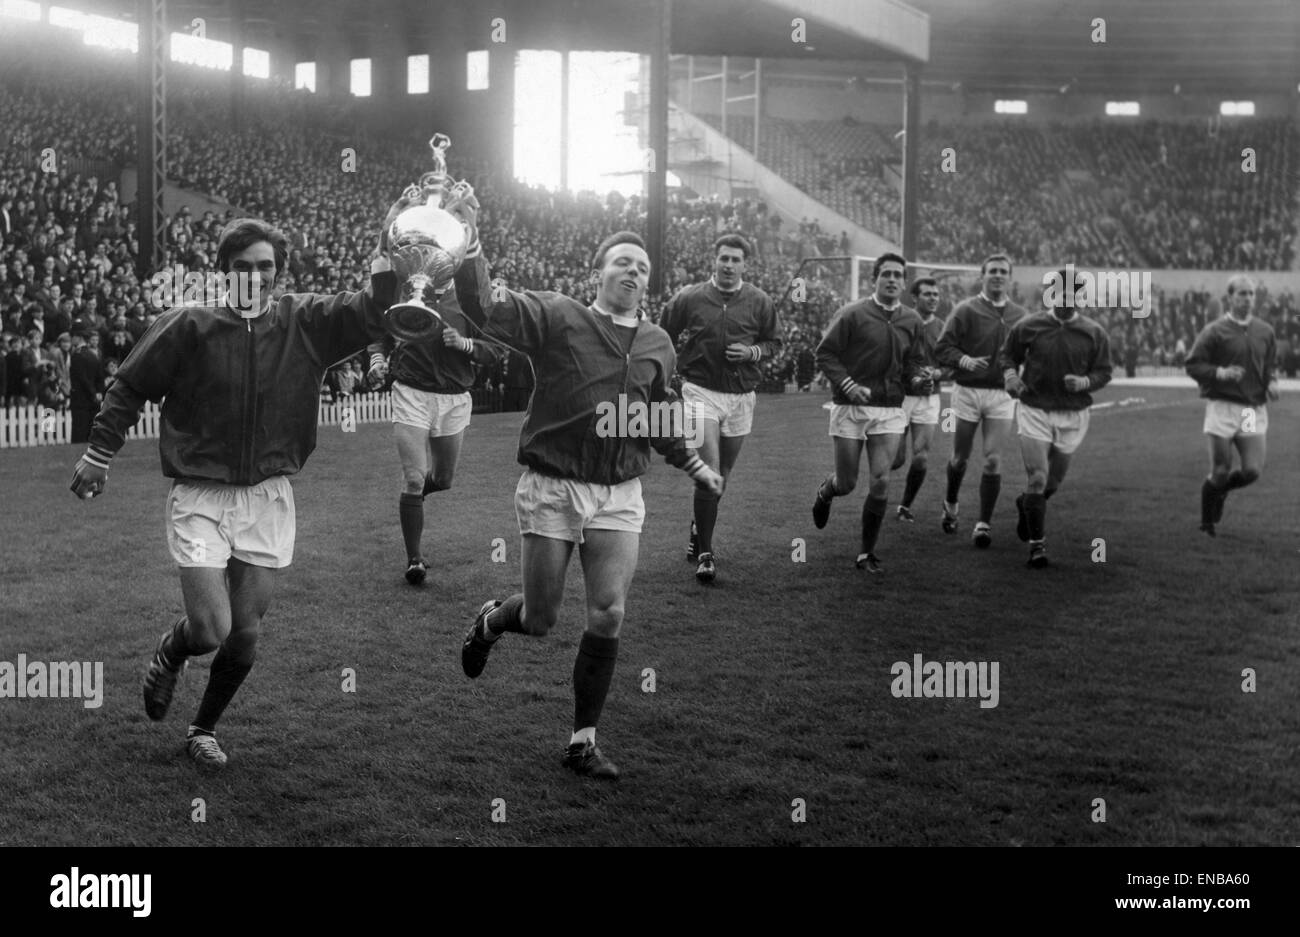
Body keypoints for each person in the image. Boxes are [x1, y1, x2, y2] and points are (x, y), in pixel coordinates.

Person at [70, 216, 395, 771]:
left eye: (266, 266)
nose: (255, 276)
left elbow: (371, 312)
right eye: (243, 267)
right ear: (224, 272)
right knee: (210, 629)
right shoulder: (188, 324)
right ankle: (172, 653)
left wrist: (392, 248)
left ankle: (203, 728)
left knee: (244, 634)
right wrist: (100, 452)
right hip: (200, 495)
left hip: (267, 496)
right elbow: (130, 385)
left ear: (279, 273)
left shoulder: (306, 323)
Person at [458, 222, 723, 781]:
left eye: (643, 267)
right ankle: (491, 621)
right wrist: (470, 241)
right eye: (622, 262)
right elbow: (482, 306)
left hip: (620, 493)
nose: (633, 271)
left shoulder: (658, 344)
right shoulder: (559, 315)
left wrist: (694, 464)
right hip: (553, 485)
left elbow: (661, 418)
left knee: (609, 612)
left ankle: (582, 741)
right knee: (542, 619)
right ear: (597, 273)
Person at [366, 241, 498, 585]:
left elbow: (495, 351)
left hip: (454, 396)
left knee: (442, 479)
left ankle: (415, 497)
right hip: (411, 391)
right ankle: (415, 559)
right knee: (413, 477)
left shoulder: (470, 299)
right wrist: (378, 361)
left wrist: (466, 345)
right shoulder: (407, 290)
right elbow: (378, 334)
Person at [659, 234, 781, 583]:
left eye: (736, 260)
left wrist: (752, 353)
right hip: (700, 391)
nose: (729, 265)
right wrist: (667, 376)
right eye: (724, 258)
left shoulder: (760, 300)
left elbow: (775, 342)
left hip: (742, 395)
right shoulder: (690, 296)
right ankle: (706, 555)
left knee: (722, 476)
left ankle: (699, 531)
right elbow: (662, 333)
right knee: (708, 471)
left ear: (745, 264)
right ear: (714, 261)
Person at [810, 253, 928, 573]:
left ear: (904, 283)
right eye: (885, 274)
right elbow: (825, 354)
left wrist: (917, 377)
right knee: (847, 483)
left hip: (889, 409)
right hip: (850, 406)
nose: (892, 279)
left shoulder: (912, 321)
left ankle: (866, 553)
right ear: (874, 279)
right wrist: (848, 385)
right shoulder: (851, 314)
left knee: (880, 480)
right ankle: (826, 491)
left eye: (898, 275)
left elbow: (914, 361)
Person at [1000, 269, 1113, 567]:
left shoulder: (1094, 332)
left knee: (1052, 483)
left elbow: (1104, 371)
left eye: (1073, 291)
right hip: (1034, 408)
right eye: (1061, 290)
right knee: (1037, 477)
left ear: (1081, 296)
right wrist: (1011, 376)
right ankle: (1038, 546)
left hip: (1074, 414)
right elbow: (1007, 354)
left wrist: (1085, 382)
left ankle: (1026, 504)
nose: (1067, 296)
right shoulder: (1030, 325)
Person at [934, 254, 1028, 547]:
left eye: (1003, 271)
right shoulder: (965, 310)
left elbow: (1029, 352)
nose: (998, 276)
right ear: (982, 276)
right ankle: (951, 503)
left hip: (1001, 395)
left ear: (1010, 278)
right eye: (993, 271)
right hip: (967, 391)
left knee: (992, 459)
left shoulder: (1020, 315)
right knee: (960, 458)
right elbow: (942, 348)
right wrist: (963, 360)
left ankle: (983, 524)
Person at [1185, 275, 1278, 536]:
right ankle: (1206, 524)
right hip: (1223, 408)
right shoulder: (1215, 330)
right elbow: (1192, 364)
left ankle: (1222, 491)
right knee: (1220, 469)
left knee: (1251, 471)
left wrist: (1271, 382)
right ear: (1230, 298)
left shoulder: (1265, 331)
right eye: (1241, 294)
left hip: (1250, 410)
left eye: (1251, 294)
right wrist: (1219, 373)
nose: (1247, 299)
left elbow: (1269, 367)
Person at [891, 276, 947, 522]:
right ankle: (876, 483)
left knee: (921, 458)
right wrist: (910, 377)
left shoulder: (944, 328)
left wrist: (937, 373)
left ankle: (905, 506)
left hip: (929, 398)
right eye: (928, 294)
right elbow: (892, 358)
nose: (933, 298)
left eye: (936, 295)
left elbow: (952, 363)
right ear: (915, 297)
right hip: (901, 397)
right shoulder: (901, 321)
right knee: (895, 460)